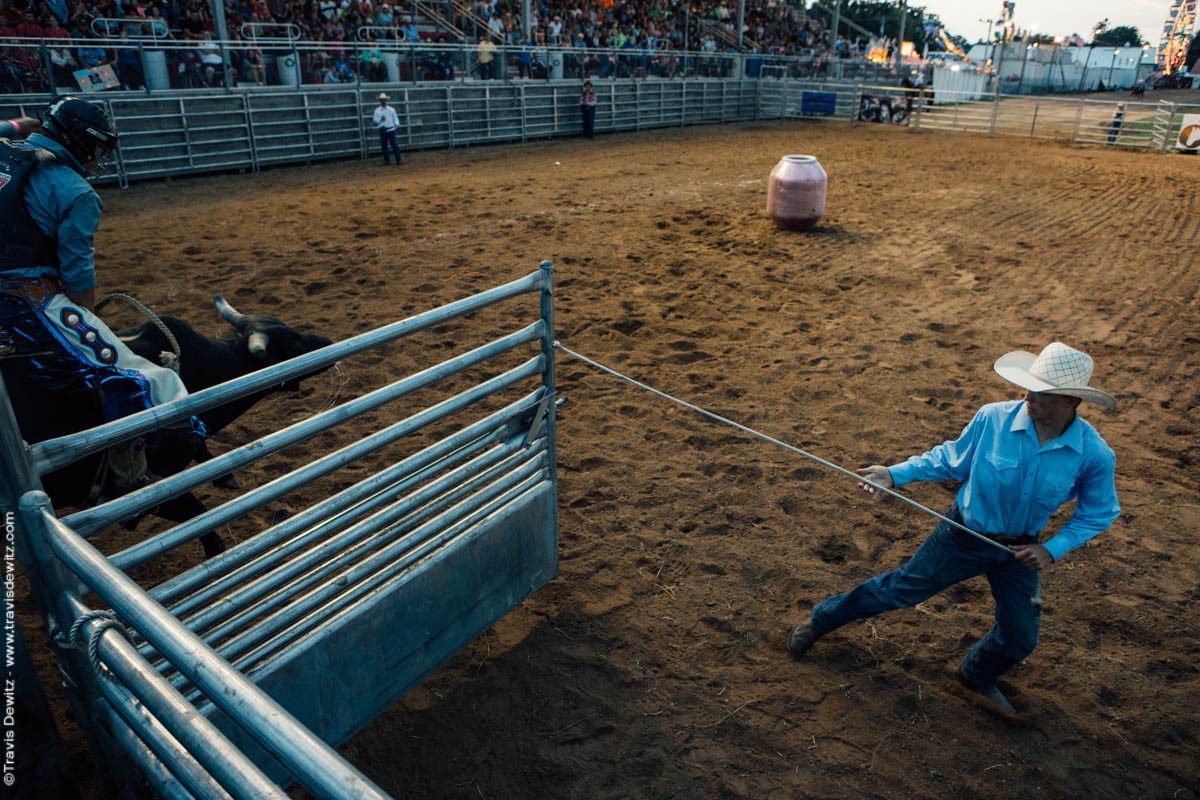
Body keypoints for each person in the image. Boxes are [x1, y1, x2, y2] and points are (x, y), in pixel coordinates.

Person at [787, 342, 1120, 714]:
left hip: (1019, 552)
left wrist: (1052, 548)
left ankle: (976, 676)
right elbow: (950, 459)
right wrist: (895, 474)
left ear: (1071, 401)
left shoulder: (1094, 454)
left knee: (1020, 637)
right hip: (963, 535)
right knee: (899, 591)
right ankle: (821, 620)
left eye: (1043, 394)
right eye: (1030, 388)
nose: (1030, 397)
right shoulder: (993, 419)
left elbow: (1100, 512)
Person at [0, 97, 198, 495]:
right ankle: (127, 474)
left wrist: (22, 129)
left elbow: (14, 126)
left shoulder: (5, 149)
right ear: (82, 144)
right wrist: (85, 310)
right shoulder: (77, 192)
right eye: (95, 149)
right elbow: (77, 276)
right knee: (143, 377)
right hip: (25, 299)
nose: (96, 159)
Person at [373, 92, 401, 165]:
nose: (383, 101)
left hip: (390, 128)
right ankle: (387, 160)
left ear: (386, 100)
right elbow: (375, 122)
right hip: (383, 128)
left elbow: (395, 118)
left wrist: (397, 124)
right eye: (382, 100)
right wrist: (380, 120)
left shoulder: (391, 109)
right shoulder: (377, 110)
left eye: (384, 100)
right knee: (384, 145)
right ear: (380, 101)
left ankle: (398, 160)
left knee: (394, 145)